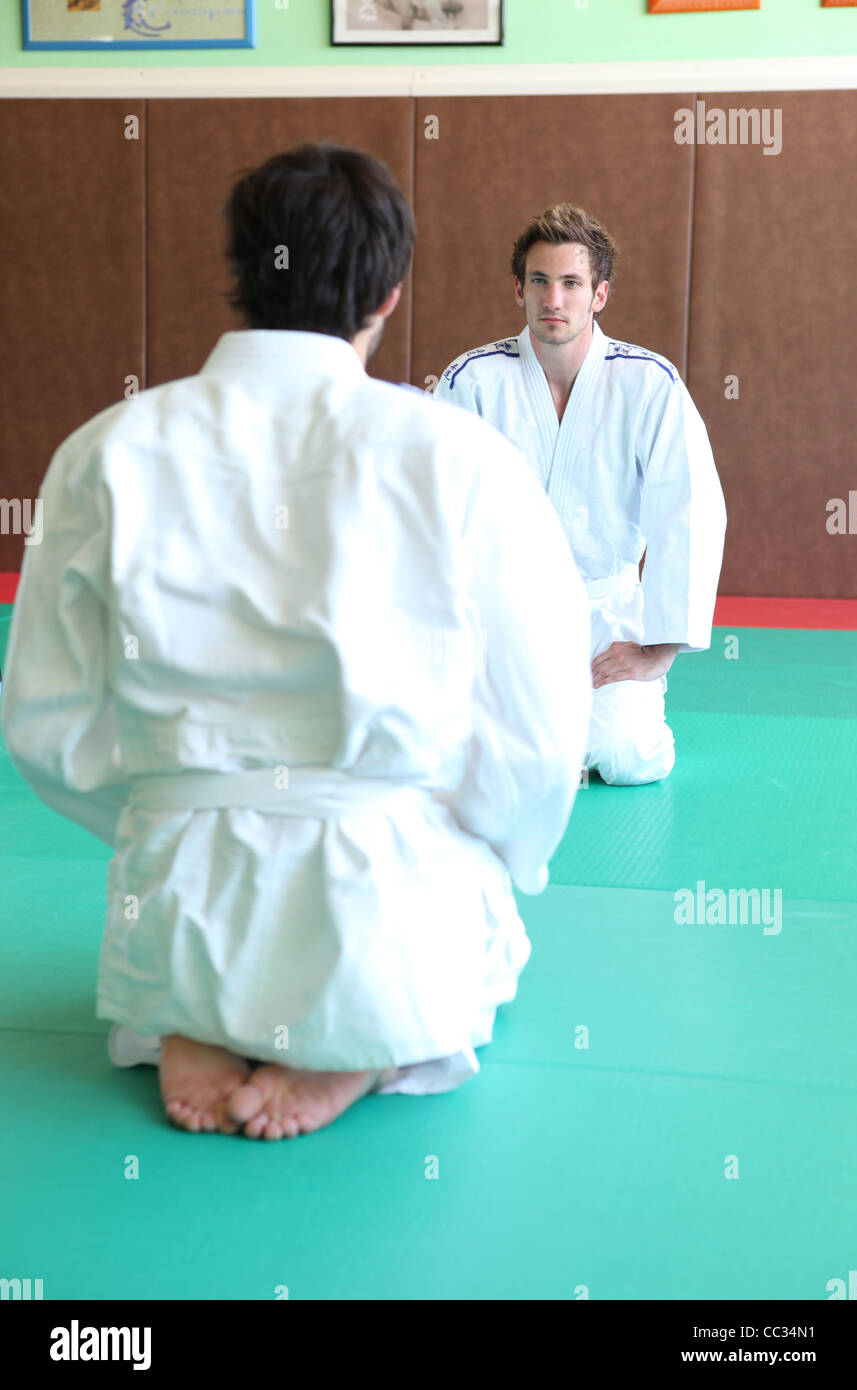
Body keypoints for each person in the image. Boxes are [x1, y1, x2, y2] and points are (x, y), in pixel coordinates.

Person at [1, 144, 591, 1140]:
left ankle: (187, 1013)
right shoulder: (459, 458)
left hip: (178, 884)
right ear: (391, 291)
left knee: (201, 844)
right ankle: (361, 1033)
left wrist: (173, 800)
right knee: (483, 906)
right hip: (382, 881)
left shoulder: (106, 449)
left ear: (236, 271)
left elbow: (45, 726)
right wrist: (480, 845)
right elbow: (536, 737)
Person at [435, 205, 726, 786]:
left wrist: (659, 649)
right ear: (519, 288)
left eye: (571, 283)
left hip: (607, 613)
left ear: (599, 295)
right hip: (505, 615)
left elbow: (689, 511)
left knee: (627, 757)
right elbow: (433, 513)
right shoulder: (472, 380)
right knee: (514, 764)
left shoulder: (649, 383)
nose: (554, 300)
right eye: (540, 281)